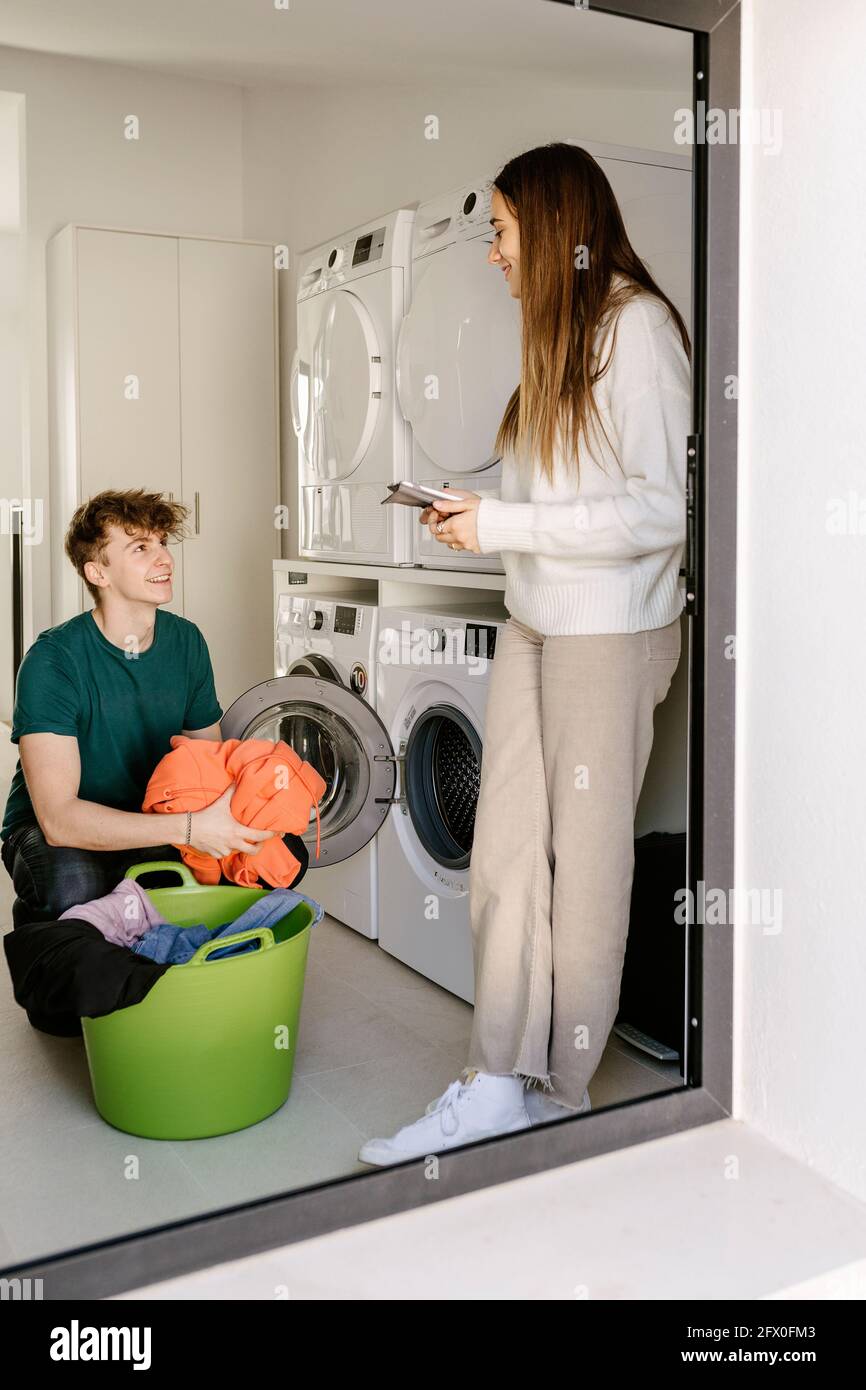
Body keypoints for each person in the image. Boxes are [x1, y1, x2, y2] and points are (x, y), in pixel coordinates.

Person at [359, 142, 690, 1166]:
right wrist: (475, 519)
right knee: (503, 848)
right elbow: (555, 503)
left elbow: (657, 507)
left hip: (609, 628)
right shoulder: (556, 334)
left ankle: (554, 1089)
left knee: (580, 870)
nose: (493, 253)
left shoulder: (633, 330)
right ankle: (494, 1077)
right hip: (535, 619)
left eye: (501, 231)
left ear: (549, 226)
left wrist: (500, 524)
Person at [0, 488, 307, 938]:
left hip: (156, 812)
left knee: (281, 852)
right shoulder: (53, 660)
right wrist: (190, 830)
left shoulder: (186, 642)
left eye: (162, 542)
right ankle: (46, 952)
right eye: (140, 547)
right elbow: (59, 819)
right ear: (97, 571)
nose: (163, 557)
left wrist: (236, 816)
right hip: (55, 826)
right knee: (74, 885)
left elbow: (211, 761)